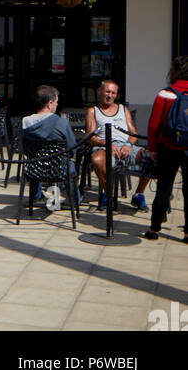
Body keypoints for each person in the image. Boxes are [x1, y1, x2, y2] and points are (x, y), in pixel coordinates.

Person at [85, 79, 152, 210]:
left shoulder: (123, 109)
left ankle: (138, 194)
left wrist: (128, 144)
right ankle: (108, 193)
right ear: (100, 92)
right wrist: (106, 144)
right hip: (104, 146)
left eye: (113, 93)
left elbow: (133, 133)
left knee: (150, 158)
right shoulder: (93, 111)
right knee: (97, 160)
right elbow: (89, 137)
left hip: (125, 145)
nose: (110, 95)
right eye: (107, 92)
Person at [143, 55, 188, 243]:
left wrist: (152, 149)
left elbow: (153, 125)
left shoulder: (165, 94)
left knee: (163, 188)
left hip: (168, 147)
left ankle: (155, 229)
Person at [22, 85, 78, 207]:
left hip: (34, 169)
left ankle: (36, 196)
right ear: (49, 103)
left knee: (35, 158)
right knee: (71, 165)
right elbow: (72, 147)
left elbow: (24, 148)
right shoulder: (61, 123)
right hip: (59, 169)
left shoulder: (25, 122)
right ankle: (75, 201)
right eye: (56, 102)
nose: (57, 105)